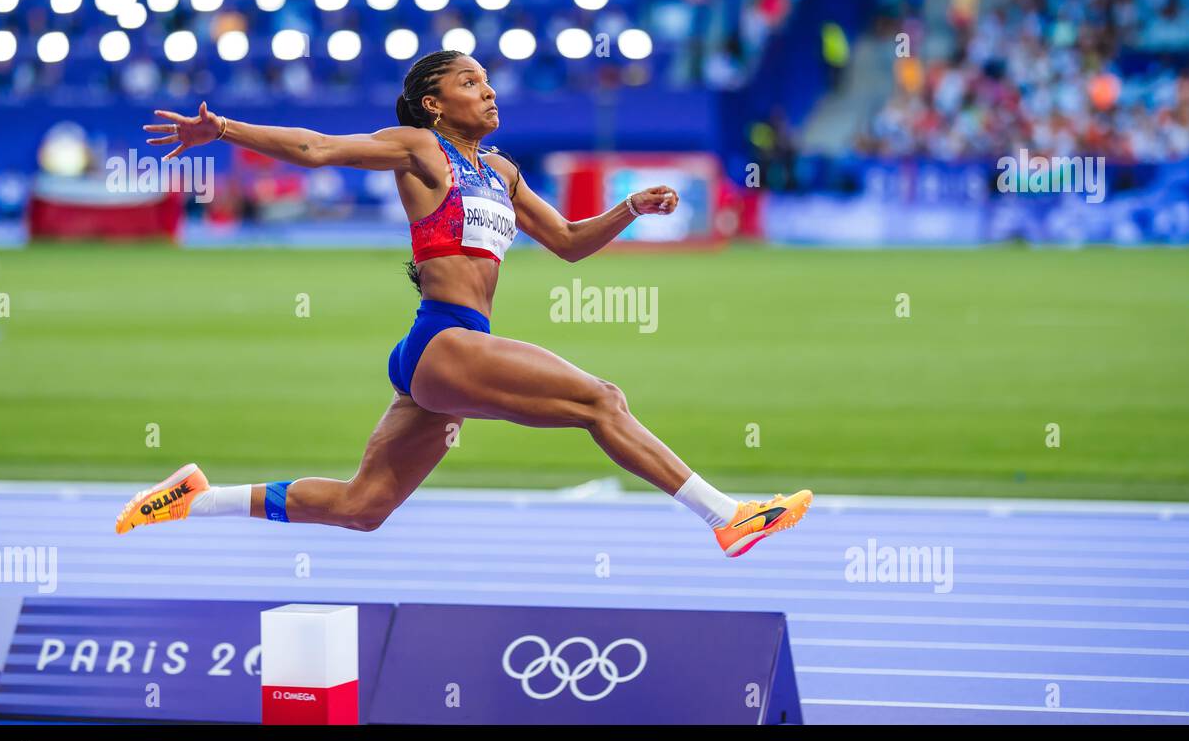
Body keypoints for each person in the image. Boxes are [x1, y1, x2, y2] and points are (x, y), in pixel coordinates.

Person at [119, 50, 811, 557]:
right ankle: (725, 517)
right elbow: (319, 147)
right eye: (470, 82)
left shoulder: (502, 171)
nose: (488, 91)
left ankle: (196, 498)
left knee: (363, 507)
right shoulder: (421, 149)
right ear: (434, 103)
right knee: (602, 400)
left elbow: (569, 243)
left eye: (487, 81)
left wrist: (628, 207)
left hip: (445, 353)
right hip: (445, 342)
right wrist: (224, 129)